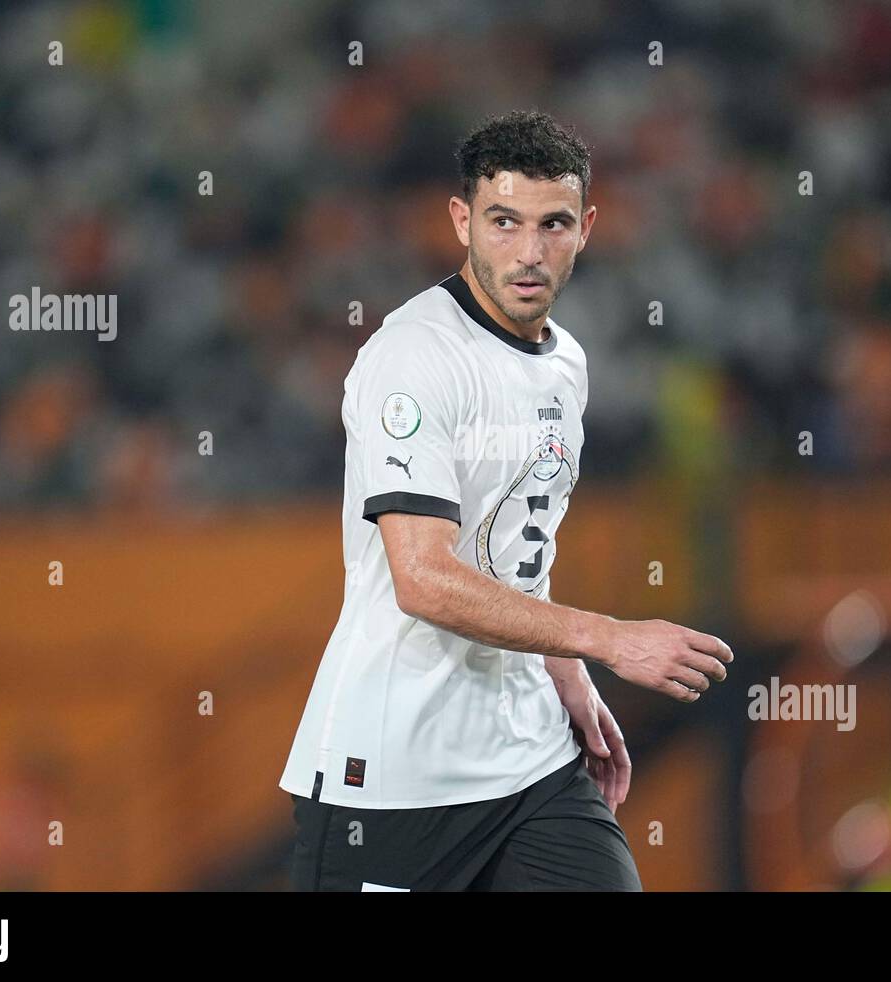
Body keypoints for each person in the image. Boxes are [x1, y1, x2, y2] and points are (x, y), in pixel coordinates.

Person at [278, 110, 732, 891]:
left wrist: (562, 666)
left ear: (586, 227)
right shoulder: (412, 358)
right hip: (393, 777)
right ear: (462, 220)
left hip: (529, 766)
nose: (529, 252)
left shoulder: (567, 366)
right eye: (503, 222)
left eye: (553, 223)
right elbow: (422, 577)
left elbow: (512, 551)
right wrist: (607, 640)